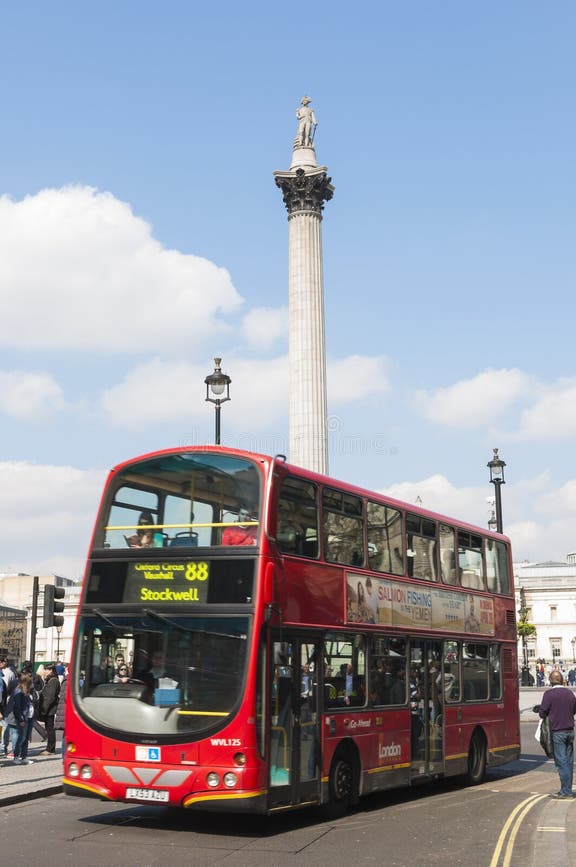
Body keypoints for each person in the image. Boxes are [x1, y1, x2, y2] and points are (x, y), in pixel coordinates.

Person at [539, 669, 576, 799]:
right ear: (562, 680)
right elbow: (574, 710)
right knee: (569, 761)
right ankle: (566, 789)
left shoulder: (549, 694)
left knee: (561, 762)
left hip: (557, 732)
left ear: (550, 681)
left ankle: (566, 792)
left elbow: (542, 713)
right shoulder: (570, 693)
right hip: (570, 731)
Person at [5, 673, 34, 764]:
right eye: (30, 683)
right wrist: (21, 719)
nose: (32, 685)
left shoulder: (27, 692)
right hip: (22, 718)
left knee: (25, 738)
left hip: (29, 717)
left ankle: (24, 756)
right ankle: (16, 756)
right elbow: (17, 707)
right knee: (20, 737)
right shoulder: (19, 691)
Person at [38, 664, 61, 754]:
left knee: (50, 729)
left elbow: (50, 697)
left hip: (50, 709)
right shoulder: (51, 680)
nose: (45, 671)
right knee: (49, 728)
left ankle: (50, 749)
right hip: (49, 708)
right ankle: (49, 747)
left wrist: (44, 708)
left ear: (51, 670)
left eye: (47, 670)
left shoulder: (53, 681)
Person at [54, 669, 68, 757]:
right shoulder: (68, 681)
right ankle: (64, 757)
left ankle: (65, 756)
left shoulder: (67, 680)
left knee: (66, 735)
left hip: (65, 711)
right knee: (67, 735)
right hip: (66, 712)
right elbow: (67, 697)